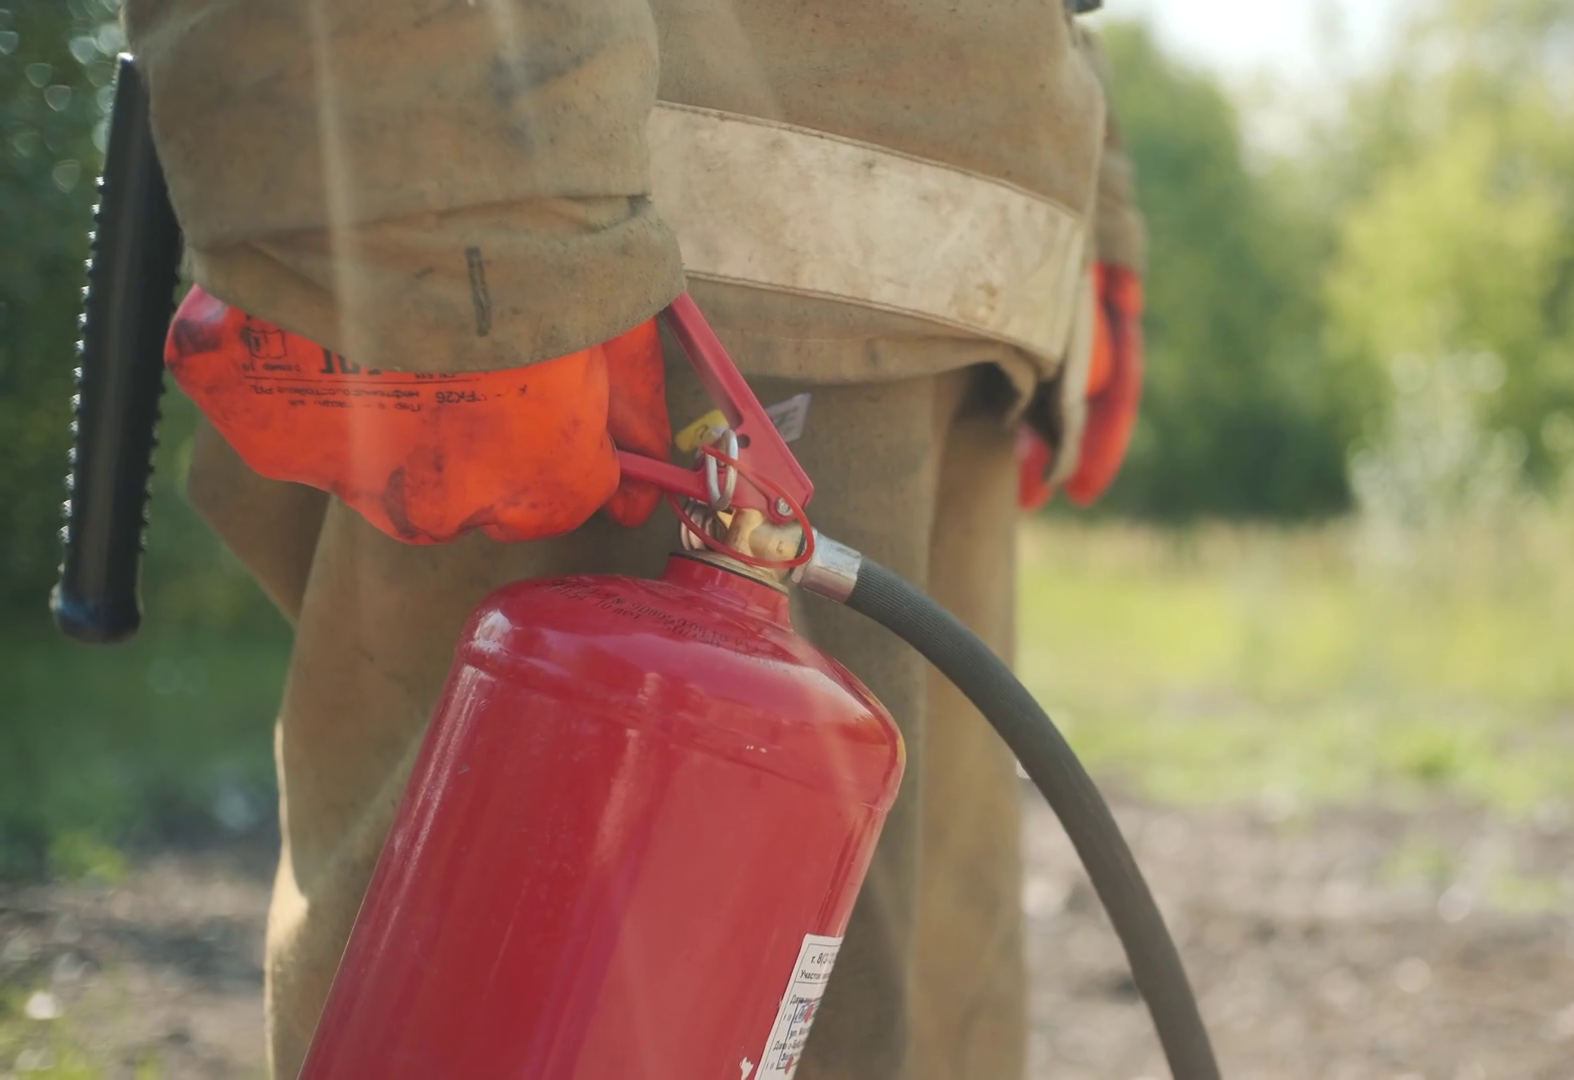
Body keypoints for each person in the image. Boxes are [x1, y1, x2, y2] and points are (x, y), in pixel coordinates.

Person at [126, 1, 1146, 1076]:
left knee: (883, 1032)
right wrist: (452, 190)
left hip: (962, 270)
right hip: (582, 250)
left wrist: (1093, 165)